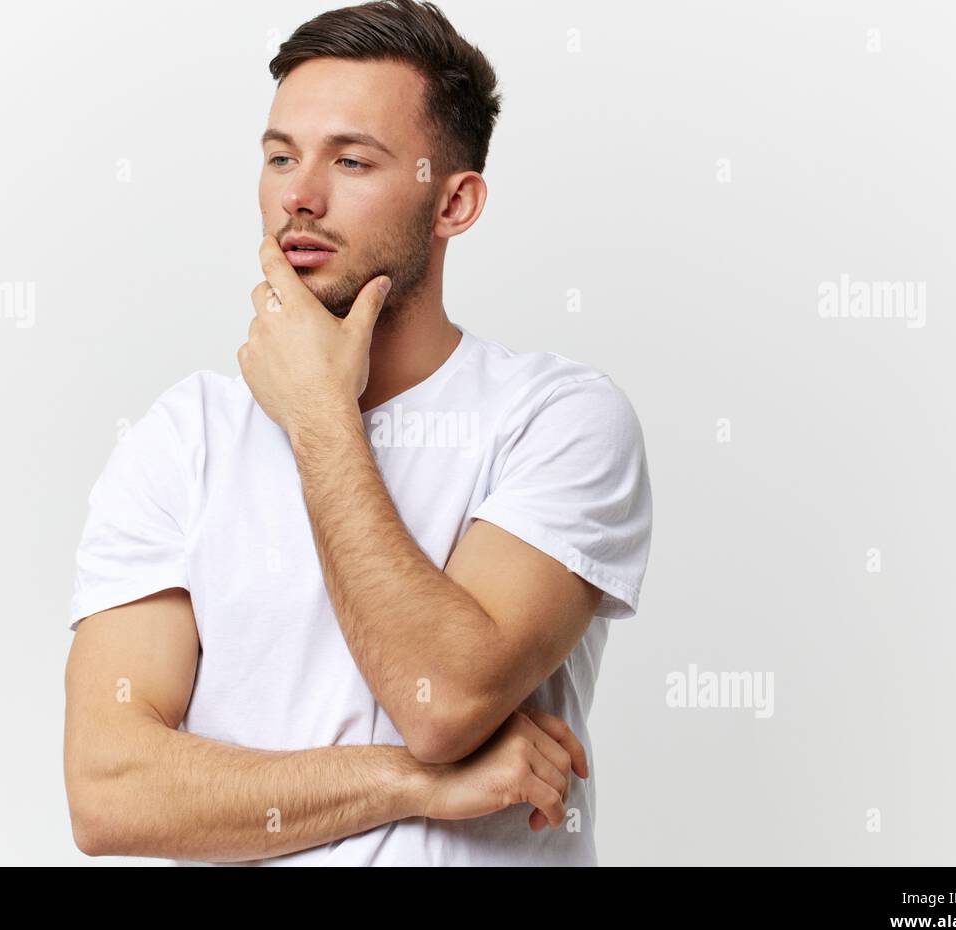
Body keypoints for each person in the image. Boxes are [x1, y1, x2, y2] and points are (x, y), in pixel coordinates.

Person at [64, 0, 652, 866]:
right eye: (279, 157)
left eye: (352, 160)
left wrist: (318, 416)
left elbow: (446, 700)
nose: (299, 196)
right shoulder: (182, 438)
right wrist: (407, 782)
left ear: (454, 201)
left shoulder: (558, 418)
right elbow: (110, 794)